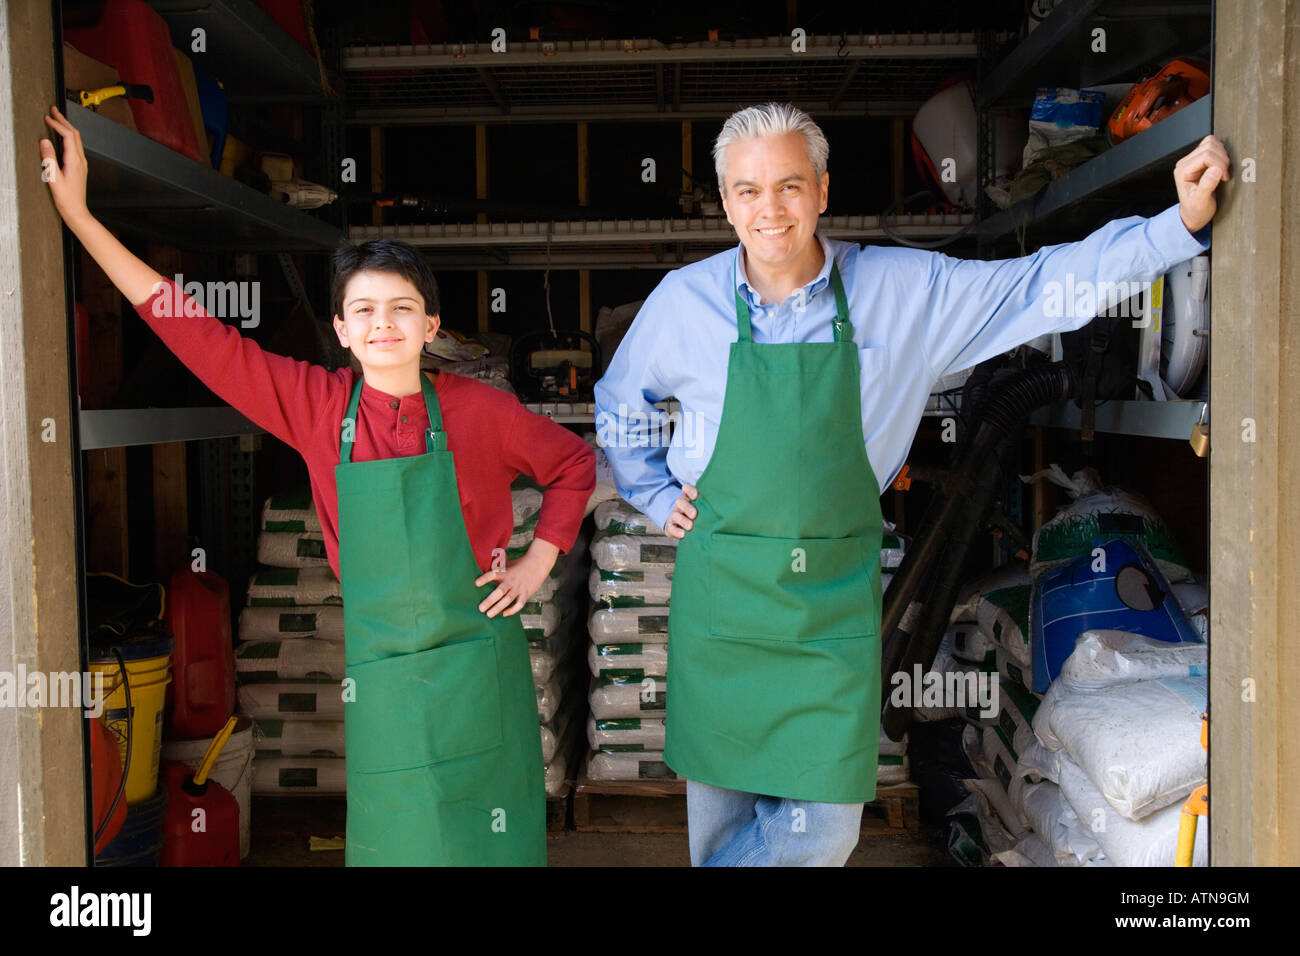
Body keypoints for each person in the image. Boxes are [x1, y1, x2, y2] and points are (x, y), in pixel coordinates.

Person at [594, 101, 1227, 867]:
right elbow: (619, 401)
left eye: (789, 185)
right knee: (725, 832)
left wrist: (1175, 227)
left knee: (825, 827)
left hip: (827, 608)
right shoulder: (681, 303)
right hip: (721, 598)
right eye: (748, 190)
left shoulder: (904, 289)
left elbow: (1039, 284)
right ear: (727, 201)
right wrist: (655, 494)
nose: (770, 209)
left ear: (823, 191)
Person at [40, 105, 595, 867]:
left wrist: (539, 561)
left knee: (488, 844)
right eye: (363, 309)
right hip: (382, 680)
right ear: (339, 329)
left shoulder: (481, 411)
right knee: (400, 843)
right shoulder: (315, 406)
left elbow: (574, 464)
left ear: (431, 324)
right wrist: (79, 216)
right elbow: (192, 329)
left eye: (403, 308)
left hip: (479, 668)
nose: (384, 324)